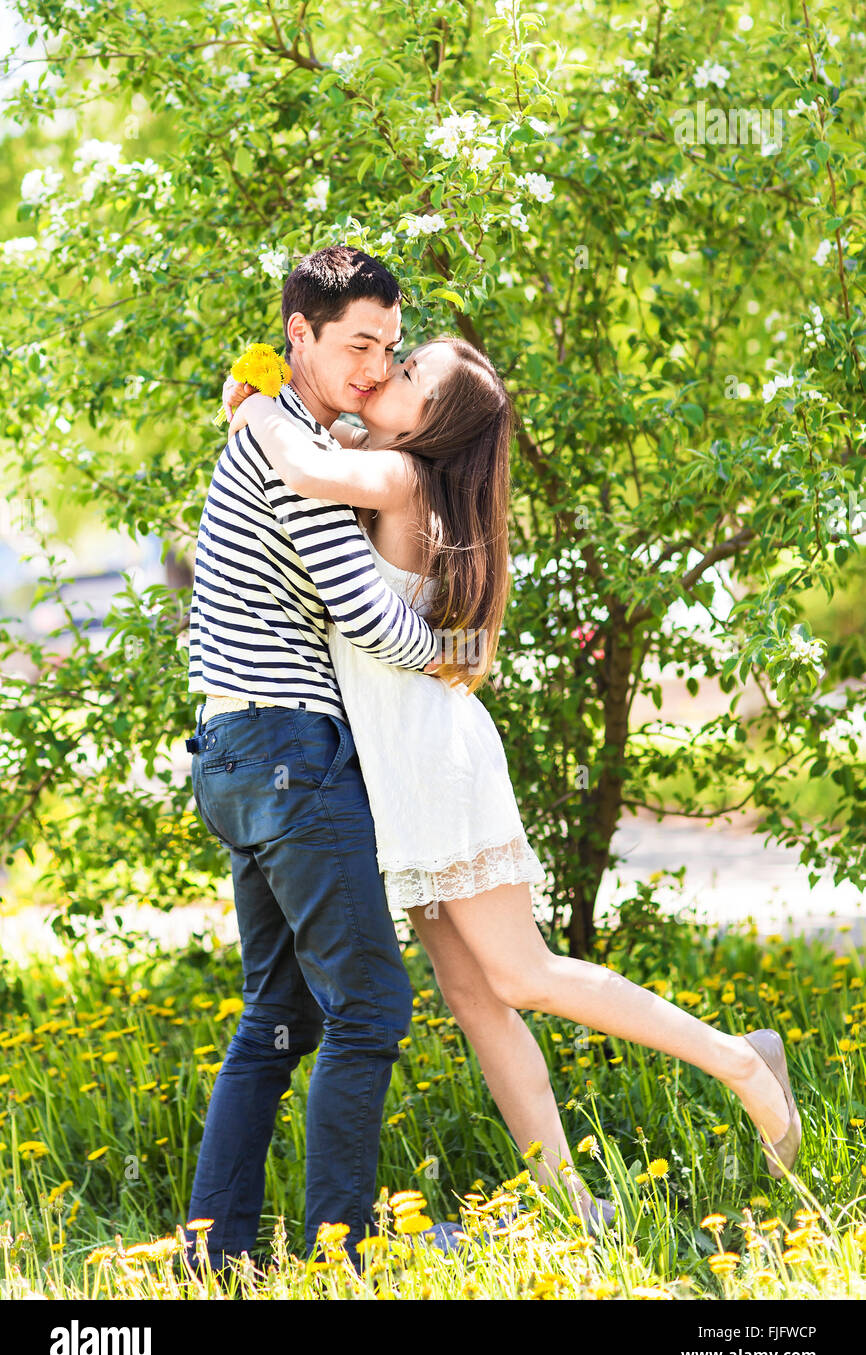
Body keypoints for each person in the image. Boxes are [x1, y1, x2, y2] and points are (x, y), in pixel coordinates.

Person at [224, 325, 803, 1216]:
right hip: (402, 780)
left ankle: (740, 1059)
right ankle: (574, 1204)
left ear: (436, 423)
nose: (388, 369)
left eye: (410, 371)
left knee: (522, 974)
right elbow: (315, 456)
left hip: (436, 767)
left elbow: (301, 468)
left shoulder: (401, 476)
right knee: (476, 998)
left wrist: (254, 398)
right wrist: (277, 417)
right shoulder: (387, 468)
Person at [183, 246, 459, 1276]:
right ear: (298, 334)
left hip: (236, 749)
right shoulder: (284, 447)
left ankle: (216, 1257)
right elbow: (369, 616)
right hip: (291, 750)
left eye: (387, 347)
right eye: (356, 344)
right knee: (371, 1008)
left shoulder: (289, 428)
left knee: (279, 1013)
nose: (376, 369)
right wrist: (462, 650)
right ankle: (337, 1252)